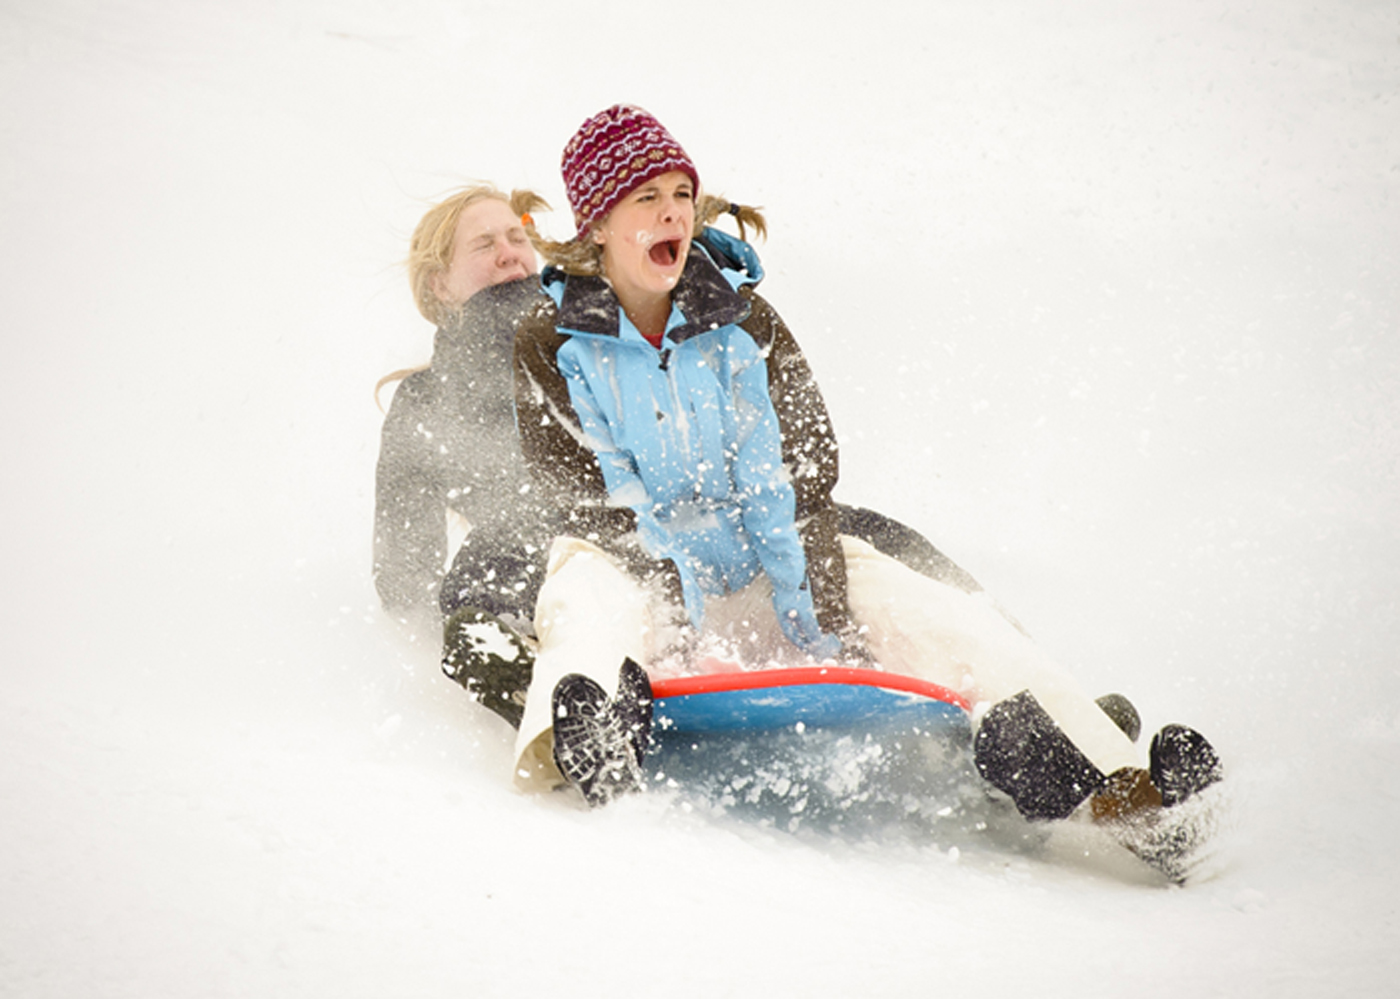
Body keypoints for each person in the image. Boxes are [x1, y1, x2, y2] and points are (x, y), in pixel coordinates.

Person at [503, 105, 1220, 851]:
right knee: (581, 588)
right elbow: (585, 499)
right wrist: (676, 614)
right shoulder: (549, 339)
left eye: (682, 195)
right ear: (598, 224)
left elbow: (803, 470)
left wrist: (817, 610)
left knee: (930, 608)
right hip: (641, 576)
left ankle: (1127, 794)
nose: (672, 214)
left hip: (766, 562)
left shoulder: (745, 319)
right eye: (647, 199)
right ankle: (586, 746)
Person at [372, 184, 558, 723]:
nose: (508, 253)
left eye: (516, 237)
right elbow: (405, 574)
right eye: (483, 246)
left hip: (636, 548)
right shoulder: (426, 404)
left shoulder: (588, 337)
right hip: (524, 581)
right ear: (440, 285)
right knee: (479, 589)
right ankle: (546, 688)